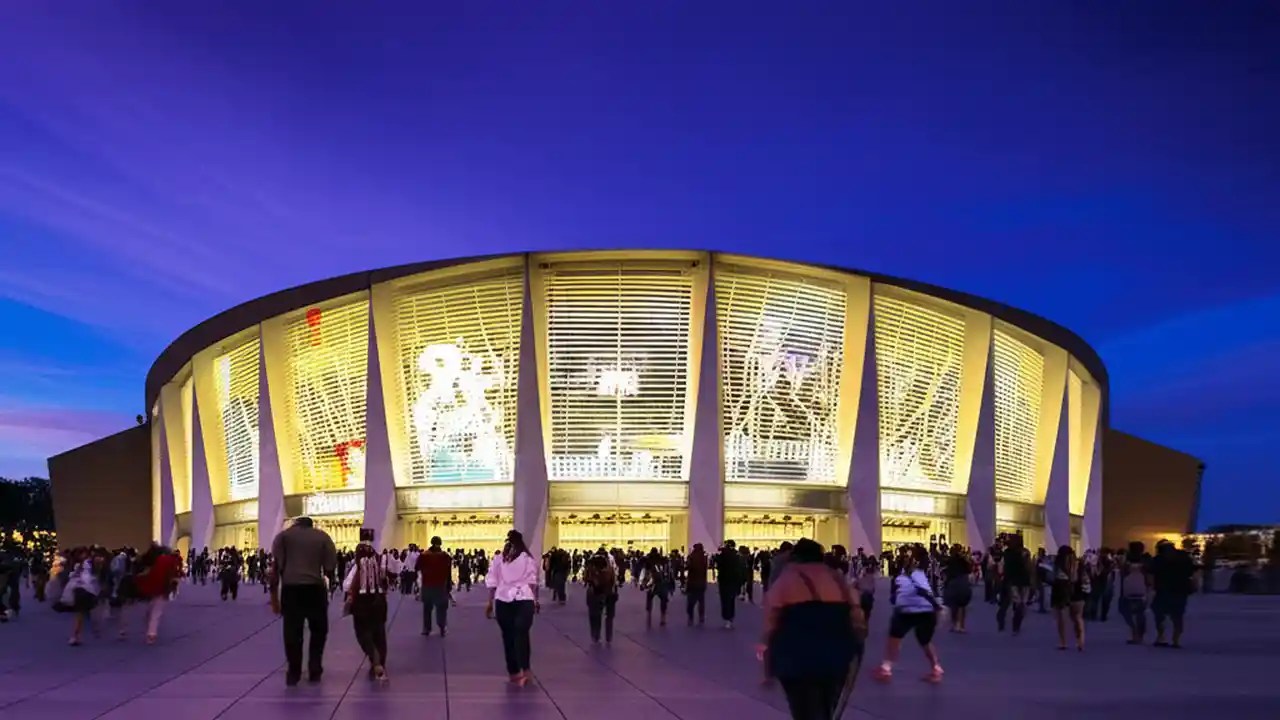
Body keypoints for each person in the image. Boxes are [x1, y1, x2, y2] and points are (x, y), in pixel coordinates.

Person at [759, 539, 867, 720]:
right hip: (836, 656)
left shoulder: (787, 578)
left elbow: (771, 621)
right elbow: (857, 617)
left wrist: (767, 665)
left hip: (797, 658)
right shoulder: (837, 578)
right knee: (827, 706)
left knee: (804, 709)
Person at [270, 517, 337, 686]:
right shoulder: (323, 537)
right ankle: (315, 668)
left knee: (292, 632)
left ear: (296, 524)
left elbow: (275, 568)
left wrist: (273, 598)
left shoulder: (283, 537)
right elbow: (330, 568)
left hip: (291, 589)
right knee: (319, 631)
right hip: (315, 588)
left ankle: (294, 672)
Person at [872, 546, 944, 684]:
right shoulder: (911, 574)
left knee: (896, 638)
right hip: (919, 610)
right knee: (922, 641)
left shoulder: (915, 574)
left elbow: (923, 591)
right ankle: (936, 667)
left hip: (909, 611)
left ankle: (886, 668)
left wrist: (937, 606)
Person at [485, 530, 539, 686]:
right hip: (513, 599)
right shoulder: (503, 560)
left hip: (515, 598)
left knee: (515, 634)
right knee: (514, 635)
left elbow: (492, 582)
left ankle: (520, 670)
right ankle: (519, 670)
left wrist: (489, 602)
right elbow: (532, 583)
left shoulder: (521, 559)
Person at [343, 535, 389, 682]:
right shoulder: (381, 561)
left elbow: (347, 584)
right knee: (379, 633)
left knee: (363, 633)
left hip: (362, 604)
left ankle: (374, 659)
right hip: (379, 602)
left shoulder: (357, 565)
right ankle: (380, 662)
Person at [1149, 539, 1195, 649]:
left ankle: (1161, 637)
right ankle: (1176, 640)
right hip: (1180, 590)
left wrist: (1152, 587)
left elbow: (1151, 574)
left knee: (1159, 615)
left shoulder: (1158, 559)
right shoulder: (1184, 558)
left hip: (1163, 590)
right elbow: (1191, 573)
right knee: (1177, 616)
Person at [134, 543, 181, 644]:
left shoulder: (152, 560)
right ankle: (151, 634)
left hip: (149, 588)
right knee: (156, 612)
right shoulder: (169, 561)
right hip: (162, 588)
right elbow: (172, 575)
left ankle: (149, 628)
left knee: (150, 610)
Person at [1051, 545, 1088, 651]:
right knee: (1077, 617)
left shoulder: (1058, 565)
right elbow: (1085, 580)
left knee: (1061, 619)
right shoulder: (1079, 565)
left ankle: (1063, 642)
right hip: (1077, 593)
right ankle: (1080, 641)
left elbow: (1054, 579)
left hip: (1061, 594)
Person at [417, 536, 453, 637]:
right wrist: (449, 585)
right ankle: (442, 627)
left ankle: (426, 628)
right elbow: (448, 573)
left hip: (427, 585)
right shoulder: (445, 556)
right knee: (441, 608)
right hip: (440, 586)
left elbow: (417, 567)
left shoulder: (424, 555)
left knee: (427, 608)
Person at [996, 535, 1031, 635]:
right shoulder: (1023, 553)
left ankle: (1007, 623)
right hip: (1018, 581)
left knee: (1010, 603)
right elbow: (1029, 567)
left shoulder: (1008, 553)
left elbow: (1001, 567)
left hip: (1013, 580)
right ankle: (1014, 625)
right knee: (1018, 604)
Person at [1117, 542, 1150, 645]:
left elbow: (1122, 574)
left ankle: (1135, 631)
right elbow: (1148, 575)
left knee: (1125, 610)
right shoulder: (1146, 561)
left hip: (1128, 589)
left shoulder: (1127, 561)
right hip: (1141, 589)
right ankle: (1139, 634)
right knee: (1140, 613)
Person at [583, 550, 618, 643]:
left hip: (595, 593)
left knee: (594, 615)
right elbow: (614, 581)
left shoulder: (591, 568)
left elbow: (585, 579)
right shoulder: (610, 568)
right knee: (609, 616)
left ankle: (595, 635)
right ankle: (608, 636)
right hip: (609, 593)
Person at [941, 544, 972, 633]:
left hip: (953, 583)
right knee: (962, 605)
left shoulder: (950, 560)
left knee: (953, 606)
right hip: (963, 582)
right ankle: (961, 626)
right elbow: (969, 570)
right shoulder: (963, 560)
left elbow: (947, 572)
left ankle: (954, 624)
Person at [641, 548, 675, 626]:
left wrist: (643, 584)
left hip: (652, 583)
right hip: (661, 583)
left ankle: (649, 616)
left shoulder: (648, 561)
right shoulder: (663, 560)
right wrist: (671, 585)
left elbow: (646, 573)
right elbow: (669, 572)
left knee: (649, 599)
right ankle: (663, 618)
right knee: (663, 600)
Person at [715, 541, 744, 629]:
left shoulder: (723, 555)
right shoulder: (736, 556)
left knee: (724, 600)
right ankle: (730, 618)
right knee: (731, 600)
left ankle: (726, 618)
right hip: (733, 581)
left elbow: (718, 563)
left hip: (724, 580)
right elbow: (739, 569)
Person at [685, 543, 709, 626]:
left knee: (691, 601)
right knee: (701, 601)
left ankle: (690, 617)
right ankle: (701, 616)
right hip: (701, 582)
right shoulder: (704, 558)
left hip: (692, 582)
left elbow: (688, 566)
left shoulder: (691, 557)